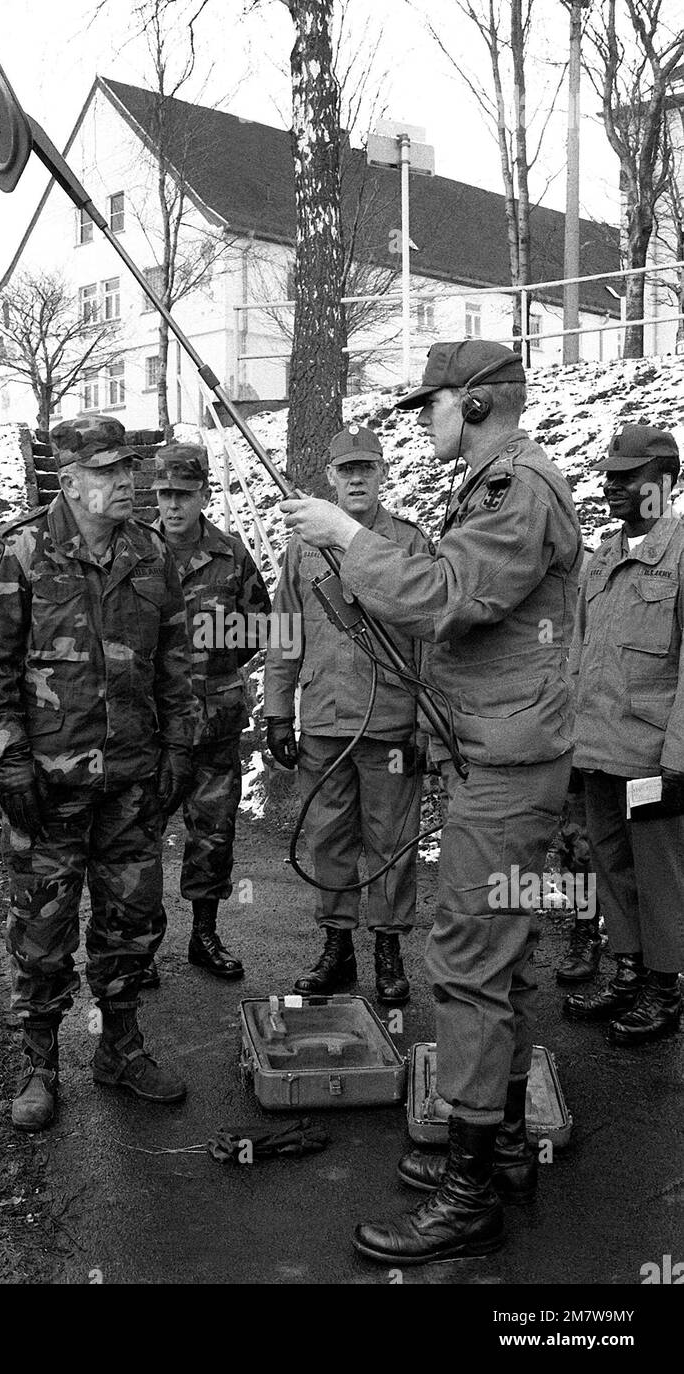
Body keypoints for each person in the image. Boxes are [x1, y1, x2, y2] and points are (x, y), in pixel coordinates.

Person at [280, 341, 583, 1265]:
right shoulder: (495, 485)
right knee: (489, 952)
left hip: (507, 771)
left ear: (479, 403)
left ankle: (468, 1192)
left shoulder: (513, 491)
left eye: (434, 405)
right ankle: (491, 1155)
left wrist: (344, 535)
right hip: (492, 757)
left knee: (466, 960)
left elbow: (447, 593)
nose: (423, 421)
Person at [0, 416, 195, 1131]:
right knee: (43, 927)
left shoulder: (151, 555)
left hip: (130, 780)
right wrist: (9, 753)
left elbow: (175, 661)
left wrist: (179, 743)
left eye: (131, 469)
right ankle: (39, 1063)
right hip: (49, 785)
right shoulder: (19, 551)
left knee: (131, 921)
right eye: (110, 471)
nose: (129, 482)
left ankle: (119, 1047)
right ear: (71, 478)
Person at [264, 424, 430, 1004]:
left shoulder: (408, 546)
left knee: (391, 840)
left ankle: (388, 949)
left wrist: (428, 728)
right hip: (325, 723)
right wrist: (278, 712)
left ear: (383, 473)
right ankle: (336, 948)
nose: (357, 478)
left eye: (367, 468)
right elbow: (284, 633)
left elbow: (432, 642)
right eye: (346, 470)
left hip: (390, 722)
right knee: (329, 837)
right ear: (331, 477)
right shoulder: (303, 549)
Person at [563, 424, 684, 1043]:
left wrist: (678, 758)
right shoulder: (604, 557)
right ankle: (629, 970)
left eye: (627, 476)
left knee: (659, 872)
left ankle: (665, 987)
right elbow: (579, 653)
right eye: (609, 475)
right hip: (599, 749)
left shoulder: (682, 553)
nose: (611, 486)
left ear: (664, 483)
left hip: (654, 757)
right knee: (610, 865)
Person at [148, 442, 271, 981]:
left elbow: (263, 627)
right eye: (164, 493)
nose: (173, 505)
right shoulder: (134, 550)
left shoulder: (230, 554)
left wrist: (211, 656)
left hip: (215, 725)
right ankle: (140, 946)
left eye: (184, 494)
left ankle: (204, 935)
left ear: (203, 494)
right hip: (148, 729)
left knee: (214, 834)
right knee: (137, 838)